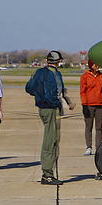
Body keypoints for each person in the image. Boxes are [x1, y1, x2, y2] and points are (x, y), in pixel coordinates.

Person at [25, 50, 74, 185]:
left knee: (52, 140)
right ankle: (47, 174)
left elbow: (29, 88)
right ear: (58, 61)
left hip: (48, 108)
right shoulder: (51, 74)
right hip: (50, 109)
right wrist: (49, 101)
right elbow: (46, 92)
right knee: (50, 141)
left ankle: (48, 172)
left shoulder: (45, 73)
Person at [79, 60, 102, 155]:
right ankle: (89, 147)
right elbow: (82, 92)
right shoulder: (85, 77)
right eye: (96, 65)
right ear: (91, 66)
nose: (98, 66)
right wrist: (84, 105)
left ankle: (99, 148)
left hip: (100, 105)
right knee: (89, 127)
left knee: (99, 128)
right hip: (89, 105)